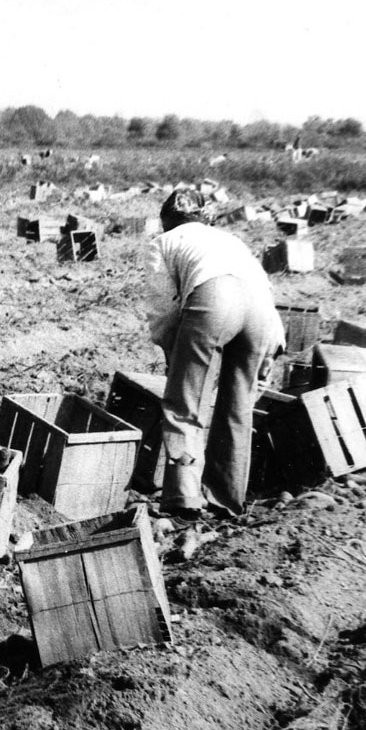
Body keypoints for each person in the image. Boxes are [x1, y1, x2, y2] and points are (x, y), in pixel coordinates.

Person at [145, 189, 286, 519]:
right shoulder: (229, 240)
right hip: (263, 315)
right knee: (238, 408)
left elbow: (162, 307)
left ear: (167, 221)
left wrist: (172, 352)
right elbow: (265, 290)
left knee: (185, 405)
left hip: (216, 300)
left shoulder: (164, 242)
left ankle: (183, 499)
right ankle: (227, 499)